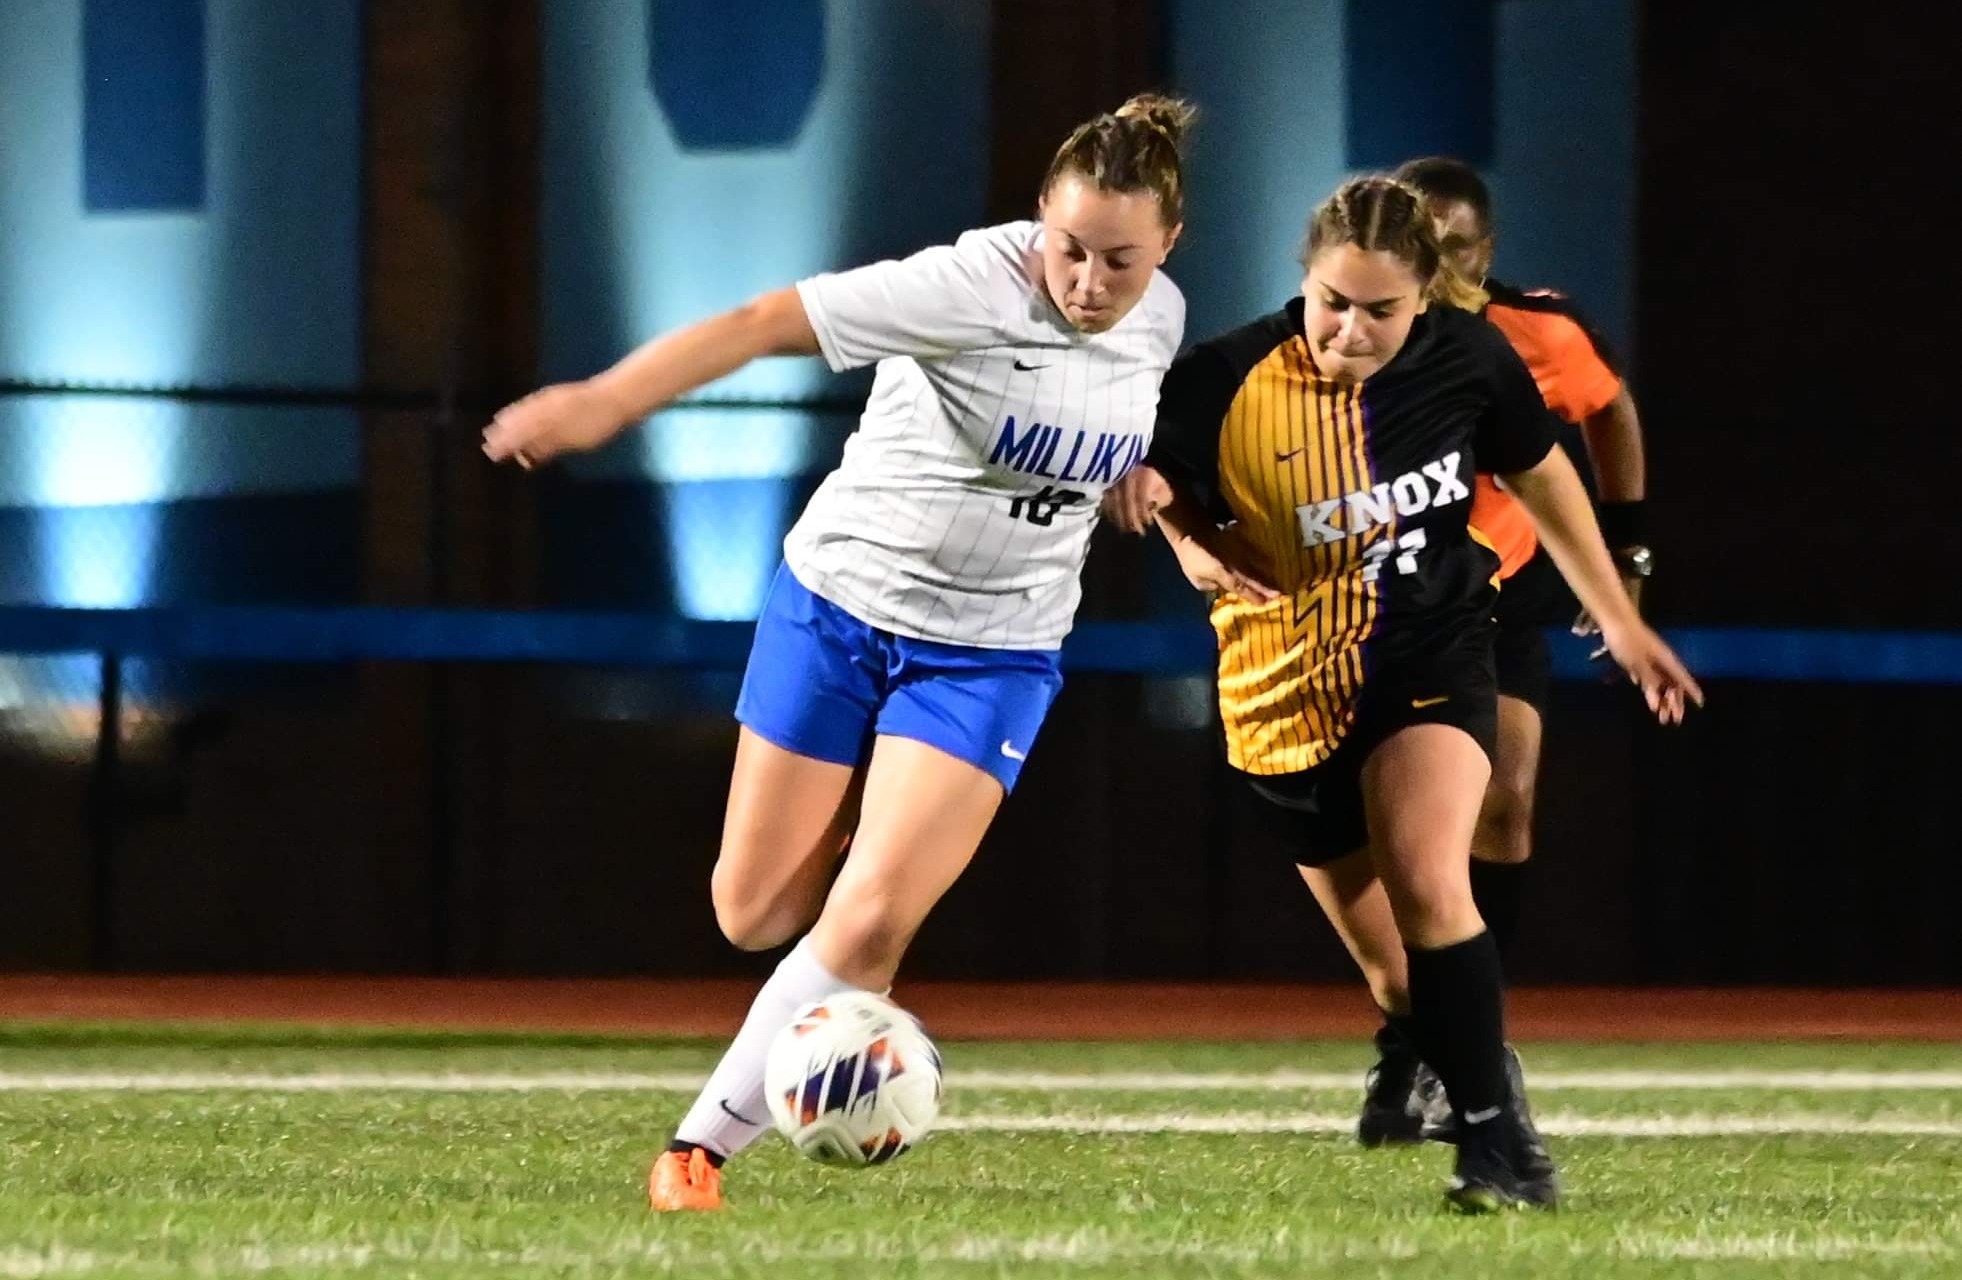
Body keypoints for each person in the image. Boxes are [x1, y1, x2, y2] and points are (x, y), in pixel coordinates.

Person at [482, 94, 1194, 1211]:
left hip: (993, 653)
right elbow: (764, 318)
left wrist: (1135, 473)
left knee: (868, 919)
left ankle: (695, 1152)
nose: (1090, 281)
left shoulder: (1160, 321)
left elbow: (1104, 423)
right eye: (1070, 249)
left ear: (1168, 247)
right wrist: (603, 401)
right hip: (841, 603)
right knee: (753, 911)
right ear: (1037, 224)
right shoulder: (963, 286)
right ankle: (866, 842)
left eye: (1122, 259)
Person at [1109, 176, 1700, 1211]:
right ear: (1305, 276)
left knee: (1435, 881)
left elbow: (1549, 476)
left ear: (1425, 295)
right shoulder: (1226, 373)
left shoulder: (1472, 357)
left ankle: (1499, 1149)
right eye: (1333, 300)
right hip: (1283, 690)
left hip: (1434, 655)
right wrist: (1179, 526)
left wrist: (1619, 610)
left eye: (1380, 309)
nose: (1350, 327)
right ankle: (1471, 1074)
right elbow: (1150, 468)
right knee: (1399, 982)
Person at [1395, 155, 1652, 963]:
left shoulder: (1537, 336)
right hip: (1375, 607)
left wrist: (1628, 555)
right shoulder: (1343, 334)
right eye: (1418, 245)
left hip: (1493, 598)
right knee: (1386, 828)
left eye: (1457, 247)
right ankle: (1415, 1018)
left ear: (1489, 251)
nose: (1438, 269)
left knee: (1504, 800)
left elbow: (1610, 409)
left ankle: (1474, 1026)